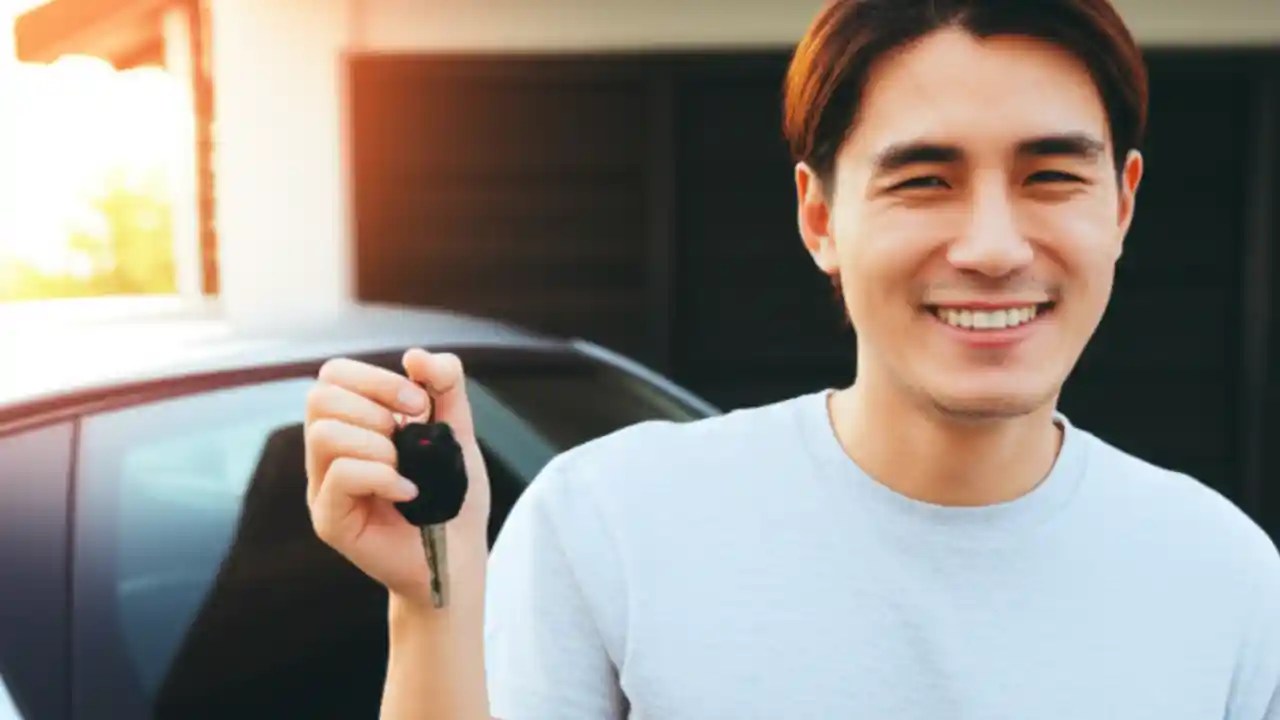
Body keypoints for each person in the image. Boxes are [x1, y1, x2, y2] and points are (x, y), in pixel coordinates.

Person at [304, 0, 1280, 717]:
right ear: (819, 217)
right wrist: (430, 606)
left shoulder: (1224, 576)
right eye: (924, 180)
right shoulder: (610, 524)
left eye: (1051, 176)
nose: (991, 247)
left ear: (1121, 205)